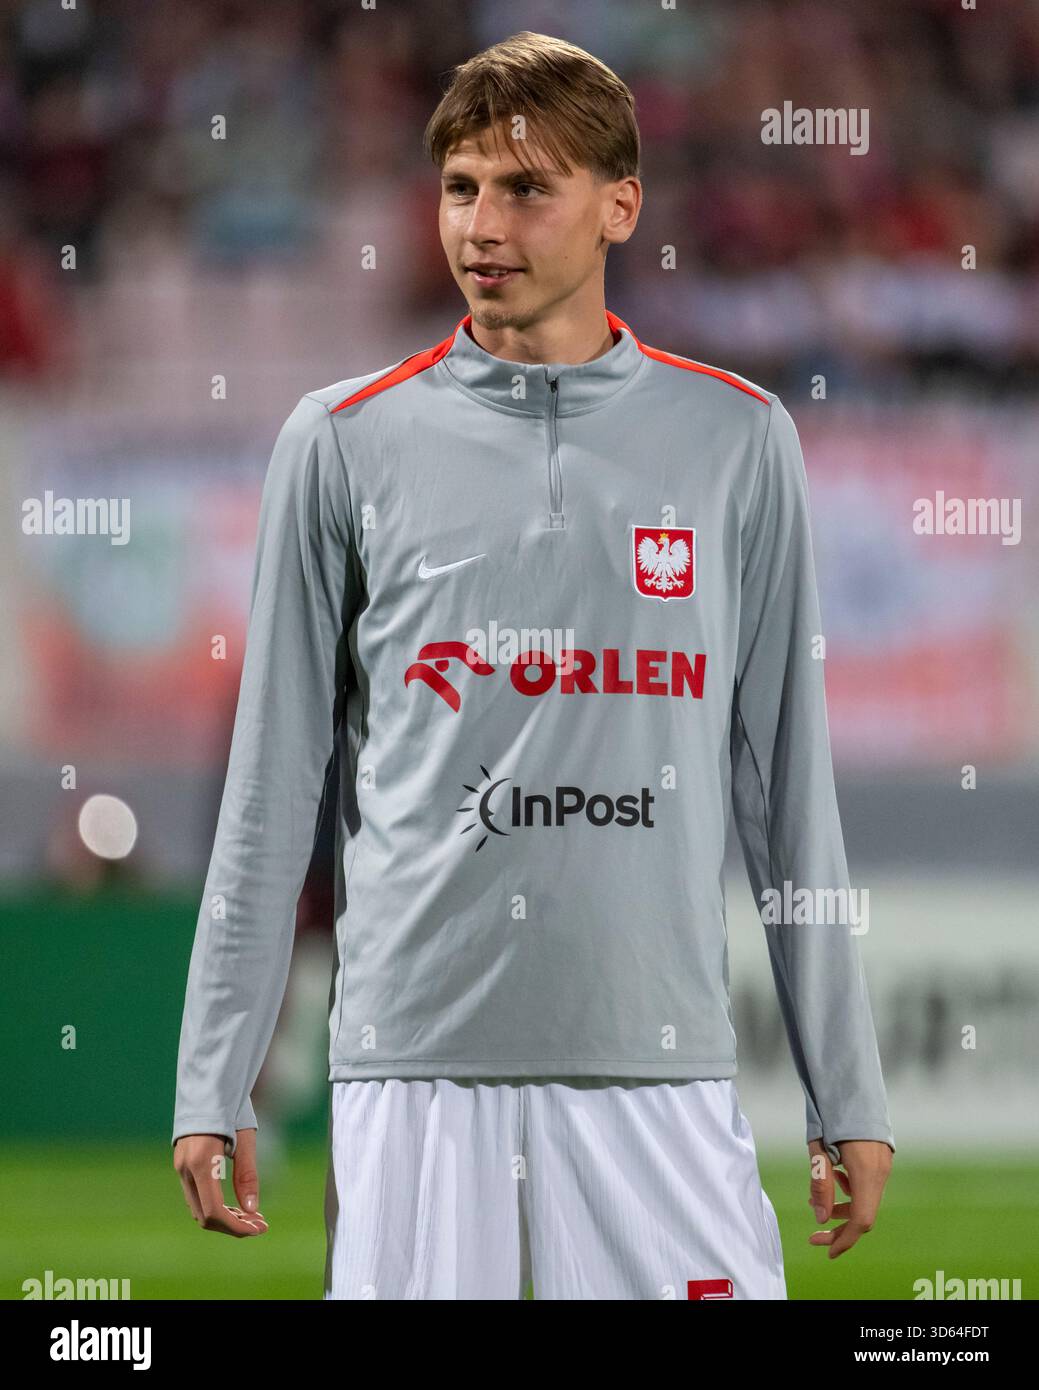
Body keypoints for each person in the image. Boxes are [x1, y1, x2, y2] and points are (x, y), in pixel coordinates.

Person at [172, 30, 894, 1300]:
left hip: (657, 1073)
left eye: (524, 187)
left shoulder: (736, 439)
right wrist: (213, 1072)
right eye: (459, 187)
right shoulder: (342, 440)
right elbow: (270, 792)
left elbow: (788, 798)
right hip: (413, 1080)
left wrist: (849, 1086)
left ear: (621, 206)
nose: (480, 224)